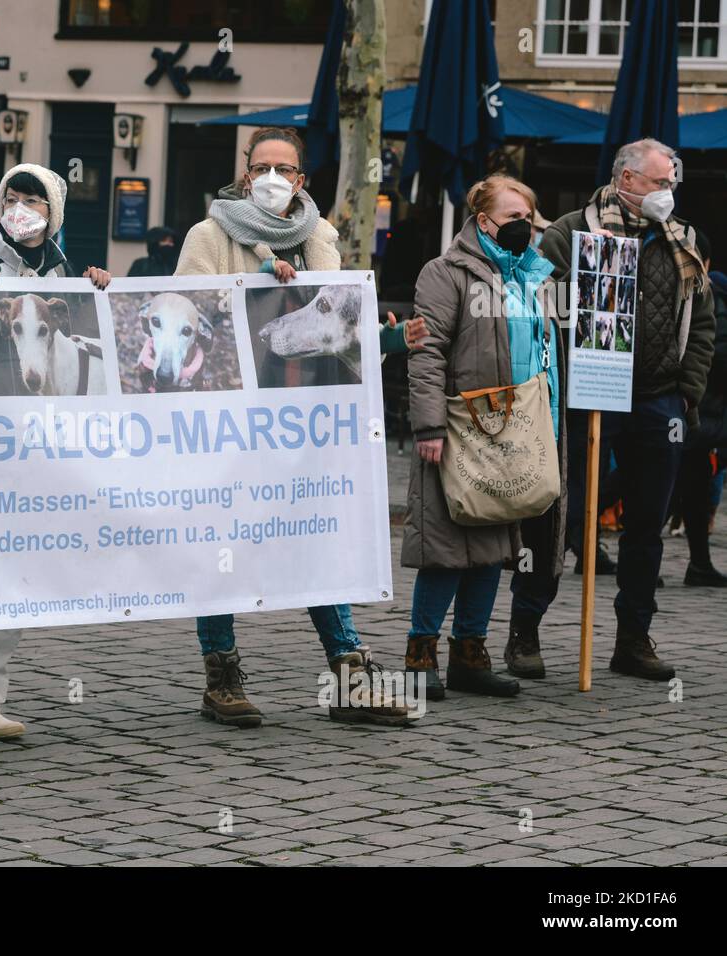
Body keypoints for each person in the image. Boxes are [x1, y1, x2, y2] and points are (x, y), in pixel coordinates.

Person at [176, 126, 421, 727]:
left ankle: (350, 674)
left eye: (283, 169)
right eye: (261, 167)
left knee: (314, 535)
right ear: (244, 172)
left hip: (304, 422)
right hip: (234, 423)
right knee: (224, 547)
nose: (271, 179)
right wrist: (261, 285)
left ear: (302, 180)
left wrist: (392, 336)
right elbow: (185, 317)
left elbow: (338, 331)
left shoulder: (320, 239)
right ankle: (222, 676)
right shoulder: (208, 236)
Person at [0, 162, 111, 744]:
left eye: (35, 199)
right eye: (14, 196)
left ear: (52, 213)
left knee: (16, 568)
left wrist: (98, 291)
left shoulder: (65, 276)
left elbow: (86, 352)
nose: (22, 207)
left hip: (35, 457)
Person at [531, 139, 715, 679]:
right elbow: (540, 304)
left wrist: (689, 388)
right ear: (627, 180)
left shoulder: (683, 239)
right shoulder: (572, 230)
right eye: (661, 183)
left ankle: (633, 637)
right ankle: (526, 629)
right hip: (589, 391)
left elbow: (700, 319)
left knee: (647, 524)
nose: (669, 192)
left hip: (659, 396)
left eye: (673, 184)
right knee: (563, 513)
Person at [407, 174, 563, 697]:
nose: (524, 227)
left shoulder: (535, 276)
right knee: (447, 547)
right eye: (513, 217)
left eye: (529, 217)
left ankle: (470, 655)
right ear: (483, 221)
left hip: (513, 429)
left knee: (495, 544)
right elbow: (425, 352)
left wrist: (551, 421)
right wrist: (428, 425)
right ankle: (420, 654)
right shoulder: (445, 273)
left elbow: (547, 353)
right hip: (457, 425)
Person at [669, 231, 727, 586]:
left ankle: (700, 562)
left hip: (698, 407)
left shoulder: (705, 293)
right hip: (700, 408)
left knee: (692, 482)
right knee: (685, 480)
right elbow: (716, 351)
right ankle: (576, 534)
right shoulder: (708, 293)